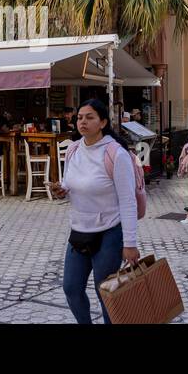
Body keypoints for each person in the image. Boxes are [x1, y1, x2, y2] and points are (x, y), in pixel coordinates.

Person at [49, 98, 140, 324]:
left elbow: (128, 201)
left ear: (102, 122)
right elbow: (70, 183)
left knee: (106, 293)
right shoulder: (72, 150)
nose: (83, 122)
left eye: (89, 117)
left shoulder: (115, 154)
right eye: (80, 117)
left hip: (109, 232)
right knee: (71, 288)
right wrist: (63, 190)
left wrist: (130, 244)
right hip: (79, 231)